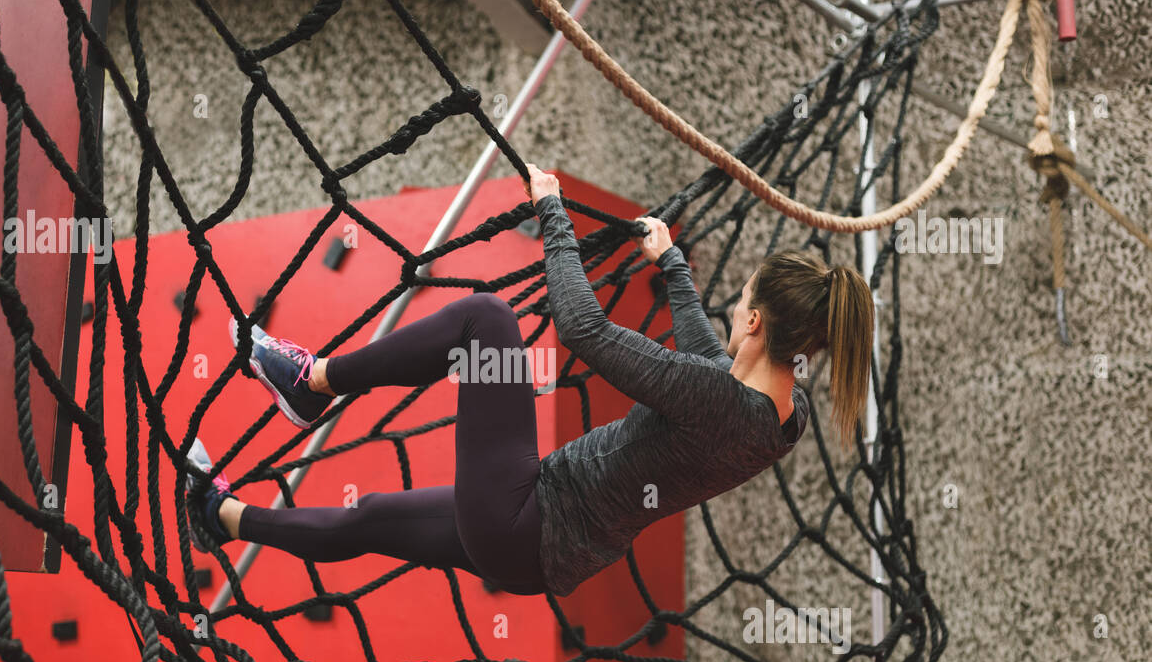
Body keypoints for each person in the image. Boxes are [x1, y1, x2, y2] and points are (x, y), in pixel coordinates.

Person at [183, 164, 873, 597]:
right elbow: (711, 363)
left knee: (485, 319)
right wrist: (674, 268)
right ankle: (220, 517)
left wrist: (553, 214)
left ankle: (313, 382)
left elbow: (583, 330)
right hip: (538, 555)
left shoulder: (718, 396)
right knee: (370, 519)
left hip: (528, 514)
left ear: (753, 323)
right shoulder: (784, 416)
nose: (728, 322)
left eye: (739, 305)